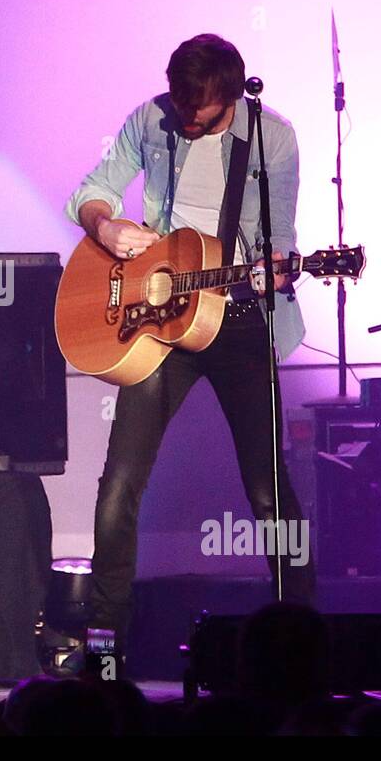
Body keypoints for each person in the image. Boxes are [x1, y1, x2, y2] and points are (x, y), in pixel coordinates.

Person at [65, 33, 316, 649]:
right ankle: (105, 639)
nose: (185, 114)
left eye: (198, 106)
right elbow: (90, 190)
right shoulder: (151, 119)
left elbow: (279, 236)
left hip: (236, 322)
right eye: (179, 100)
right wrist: (108, 224)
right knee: (120, 483)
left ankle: (301, 634)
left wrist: (278, 268)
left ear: (229, 96)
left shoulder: (272, 138)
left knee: (267, 487)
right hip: (157, 324)